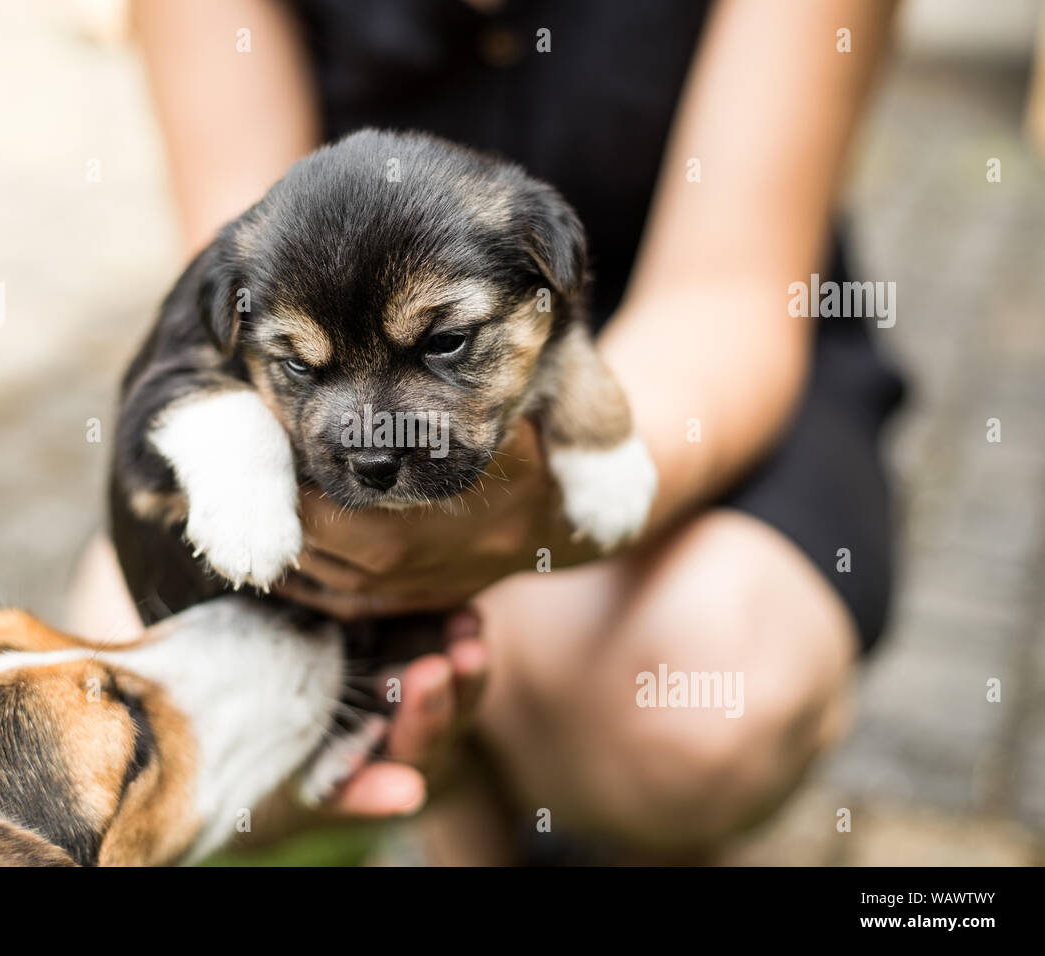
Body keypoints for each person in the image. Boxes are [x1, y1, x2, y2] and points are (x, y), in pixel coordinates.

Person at [70, 0, 905, 863]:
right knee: (130, 666)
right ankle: (453, 788)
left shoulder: (539, 280)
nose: (375, 441)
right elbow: (217, 312)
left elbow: (722, 302)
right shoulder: (249, 277)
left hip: (716, 364)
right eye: (305, 367)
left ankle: (574, 802)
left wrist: (587, 469)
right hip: (359, 329)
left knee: (696, 702)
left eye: (442, 344)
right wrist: (248, 468)